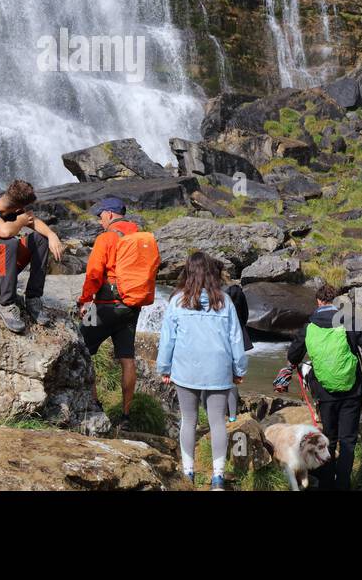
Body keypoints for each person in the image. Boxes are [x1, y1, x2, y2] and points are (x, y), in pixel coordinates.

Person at [157, 251, 248, 491]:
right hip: (219, 369)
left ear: (188, 272)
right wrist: (239, 369)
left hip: (186, 368)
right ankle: (218, 478)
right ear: (210, 272)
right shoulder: (225, 301)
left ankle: (188, 474)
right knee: (217, 421)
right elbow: (236, 339)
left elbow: (167, 340)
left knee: (189, 420)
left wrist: (164, 368)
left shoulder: (177, 300)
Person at [285, 283, 362, 491]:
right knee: (348, 441)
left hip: (324, 393)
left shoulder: (309, 325)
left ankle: (327, 485)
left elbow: (293, 355)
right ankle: (343, 485)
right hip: (352, 391)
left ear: (319, 302)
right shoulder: (348, 320)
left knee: (328, 440)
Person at [77, 196, 161, 430]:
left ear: (110, 214)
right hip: (132, 306)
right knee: (127, 357)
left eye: (101, 215)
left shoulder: (107, 238)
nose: (99, 220)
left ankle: (94, 404)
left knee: (83, 348)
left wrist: (84, 301)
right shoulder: (141, 238)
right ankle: (125, 416)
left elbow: (94, 274)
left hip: (104, 305)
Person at [0, 179, 64, 333]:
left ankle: (33, 298)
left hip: (1, 270)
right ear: (18, 206)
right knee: (9, 242)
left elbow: (34, 222)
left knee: (40, 239)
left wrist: (52, 235)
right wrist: (20, 221)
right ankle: (7, 305)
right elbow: (5, 232)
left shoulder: (13, 209)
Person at [223, 278, 253, 423]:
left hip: (222, 340)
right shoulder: (241, 302)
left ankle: (220, 412)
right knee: (232, 381)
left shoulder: (224, 305)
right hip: (240, 336)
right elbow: (245, 317)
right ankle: (233, 416)